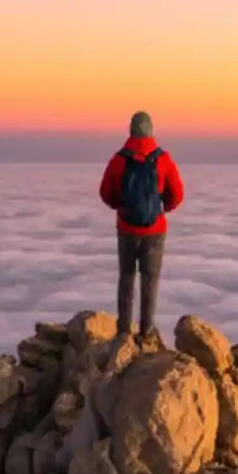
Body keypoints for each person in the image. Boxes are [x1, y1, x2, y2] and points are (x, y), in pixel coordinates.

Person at [99, 111, 184, 337]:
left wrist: (122, 205)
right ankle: (146, 331)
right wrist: (161, 209)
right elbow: (177, 194)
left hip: (126, 228)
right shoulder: (163, 159)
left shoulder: (119, 159)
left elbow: (106, 193)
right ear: (151, 130)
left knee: (126, 276)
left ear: (131, 130)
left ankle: (124, 330)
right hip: (155, 230)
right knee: (150, 279)